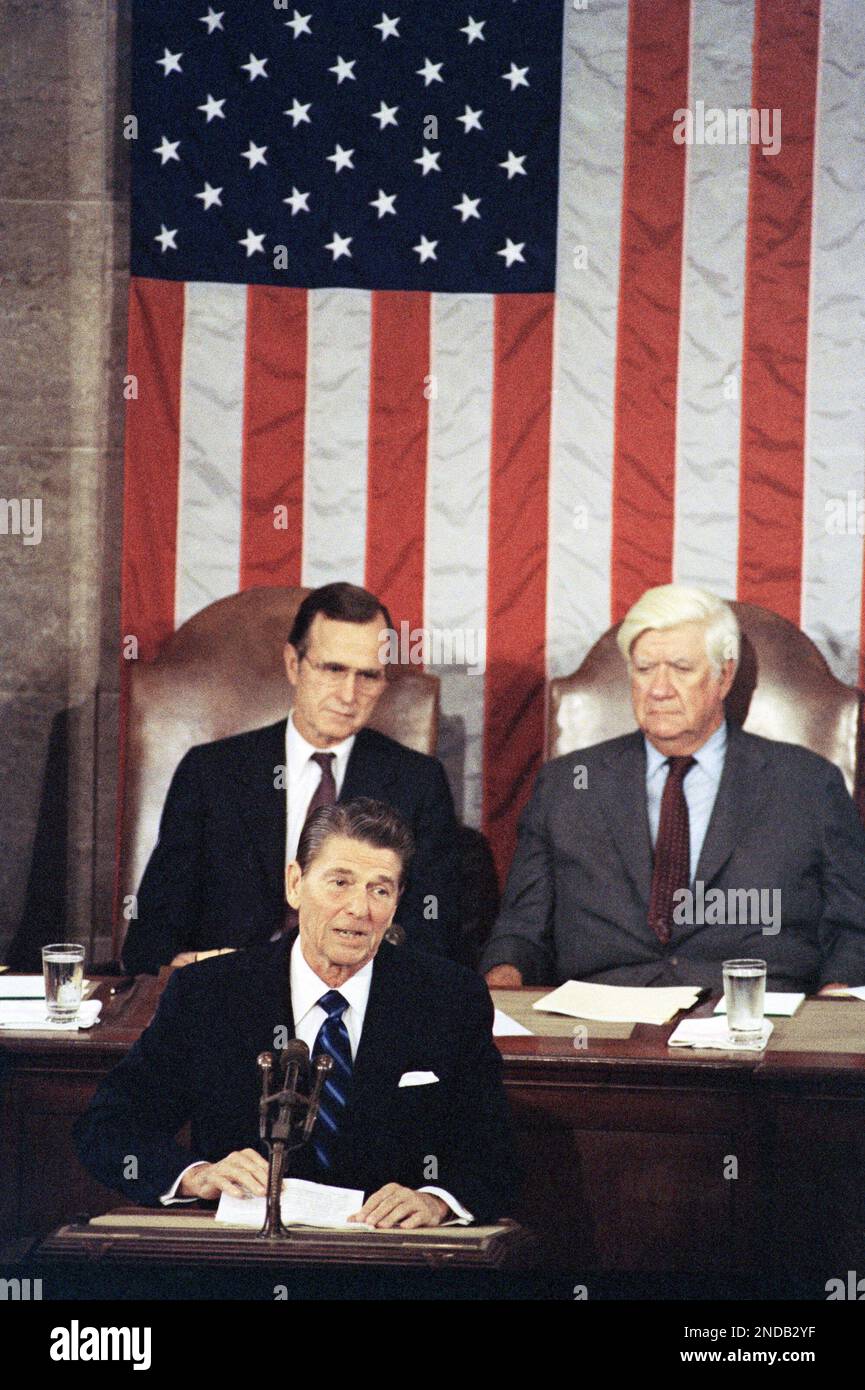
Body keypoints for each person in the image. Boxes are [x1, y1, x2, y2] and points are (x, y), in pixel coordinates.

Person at [78, 800, 518, 1228]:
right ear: (295, 883)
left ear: (398, 901)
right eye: (339, 882)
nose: (359, 909)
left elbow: (495, 1153)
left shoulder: (449, 998)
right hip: (243, 1259)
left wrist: (436, 1200)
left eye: (379, 890)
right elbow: (108, 1127)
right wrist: (197, 1176)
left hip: (384, 1261)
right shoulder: (209, 993)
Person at [482, 584, 865, 994]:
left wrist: (834, 1009)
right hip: (602, 1031)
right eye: (645, 669)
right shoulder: (567, 785)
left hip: (755, 1025)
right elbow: (521, 929)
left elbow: (852, 930)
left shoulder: (806, 785)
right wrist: (500, 993)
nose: (659, 689)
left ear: (724, 675)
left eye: (681, 668)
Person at [121, 583, 460, 975]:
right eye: (333, 669)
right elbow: (150, 938)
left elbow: (435, 936)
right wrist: (189, 970)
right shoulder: (211, 774)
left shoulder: (418, 783)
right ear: (293, 665)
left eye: (368, 676)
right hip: (229, 995)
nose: (349, 695)